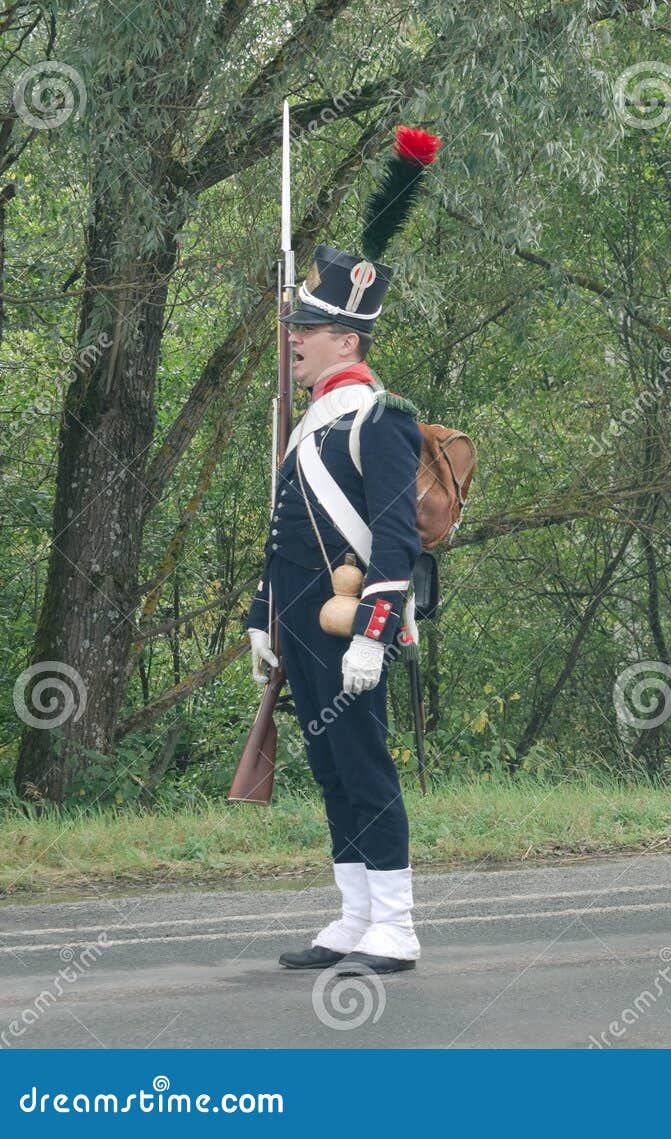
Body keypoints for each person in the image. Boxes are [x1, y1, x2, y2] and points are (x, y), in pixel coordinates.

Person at [246, 245, 424, 975]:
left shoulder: (378, 418)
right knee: (330, 768)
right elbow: (284, 531)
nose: (295, 336)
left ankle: (397, 922)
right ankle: (355, 914)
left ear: (347, 340)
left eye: (310, 327)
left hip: (352, 629)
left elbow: (395, 537)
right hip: (305, 628)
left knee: (364, 764)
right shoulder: (309, 421)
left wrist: (374, 635)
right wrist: (265, 614)